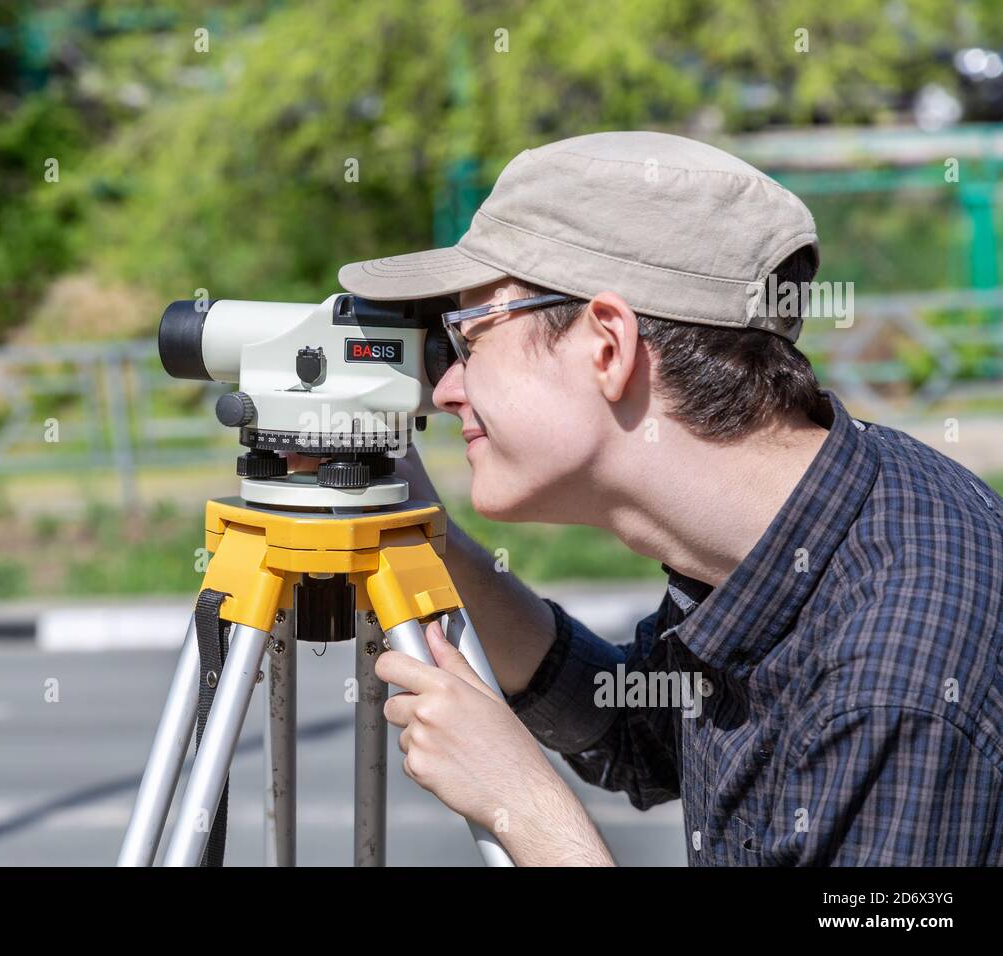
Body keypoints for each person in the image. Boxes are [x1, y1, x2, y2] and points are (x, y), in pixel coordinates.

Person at [332, 131, 1003, 866]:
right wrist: (425, 539)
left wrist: (524, 808)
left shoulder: (893, 687)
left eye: (466, 339)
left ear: (607, 348)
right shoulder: (802, 522)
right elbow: (636, 730)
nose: (445, 388)